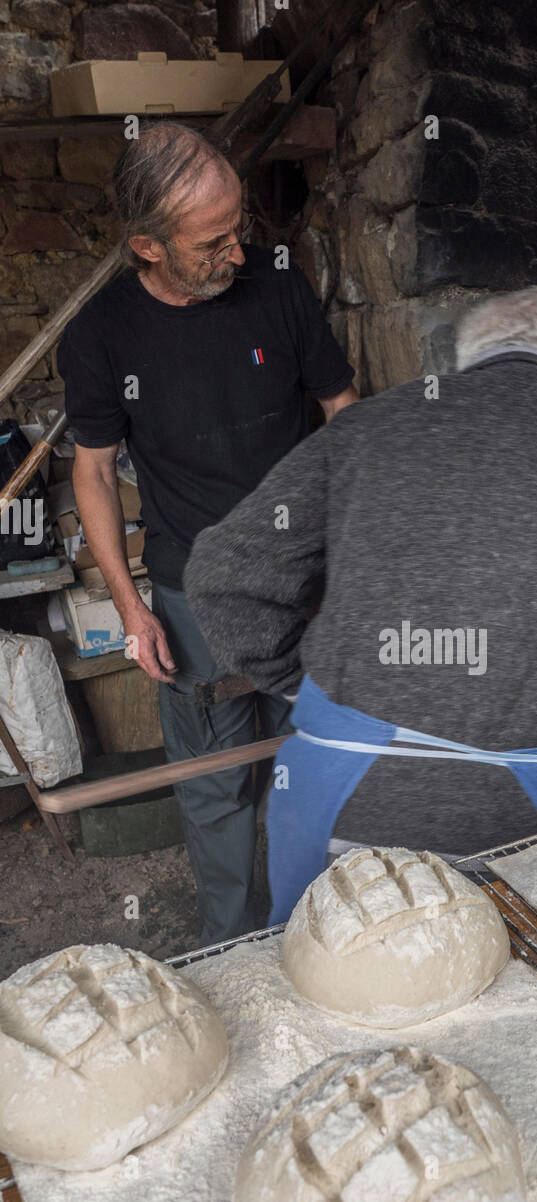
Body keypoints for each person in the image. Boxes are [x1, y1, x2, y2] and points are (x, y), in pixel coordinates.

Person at [184, 286, 537, 922]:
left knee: (314, 997)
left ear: (464, 365)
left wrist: (303, 685)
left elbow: (223, 572)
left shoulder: (371, 425)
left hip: (343, 790)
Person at [57, 121, 358, 945]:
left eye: (240, 231)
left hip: (304, 577)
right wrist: (132, 609)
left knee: (322, 763)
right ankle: (236, 949)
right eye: (214, 241)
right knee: (217, 785)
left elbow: (341, 412)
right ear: (146, 246)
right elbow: (92, 473)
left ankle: (331, 941)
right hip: (195, 588)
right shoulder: (102, 335)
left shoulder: (279, 287)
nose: (237, 253)